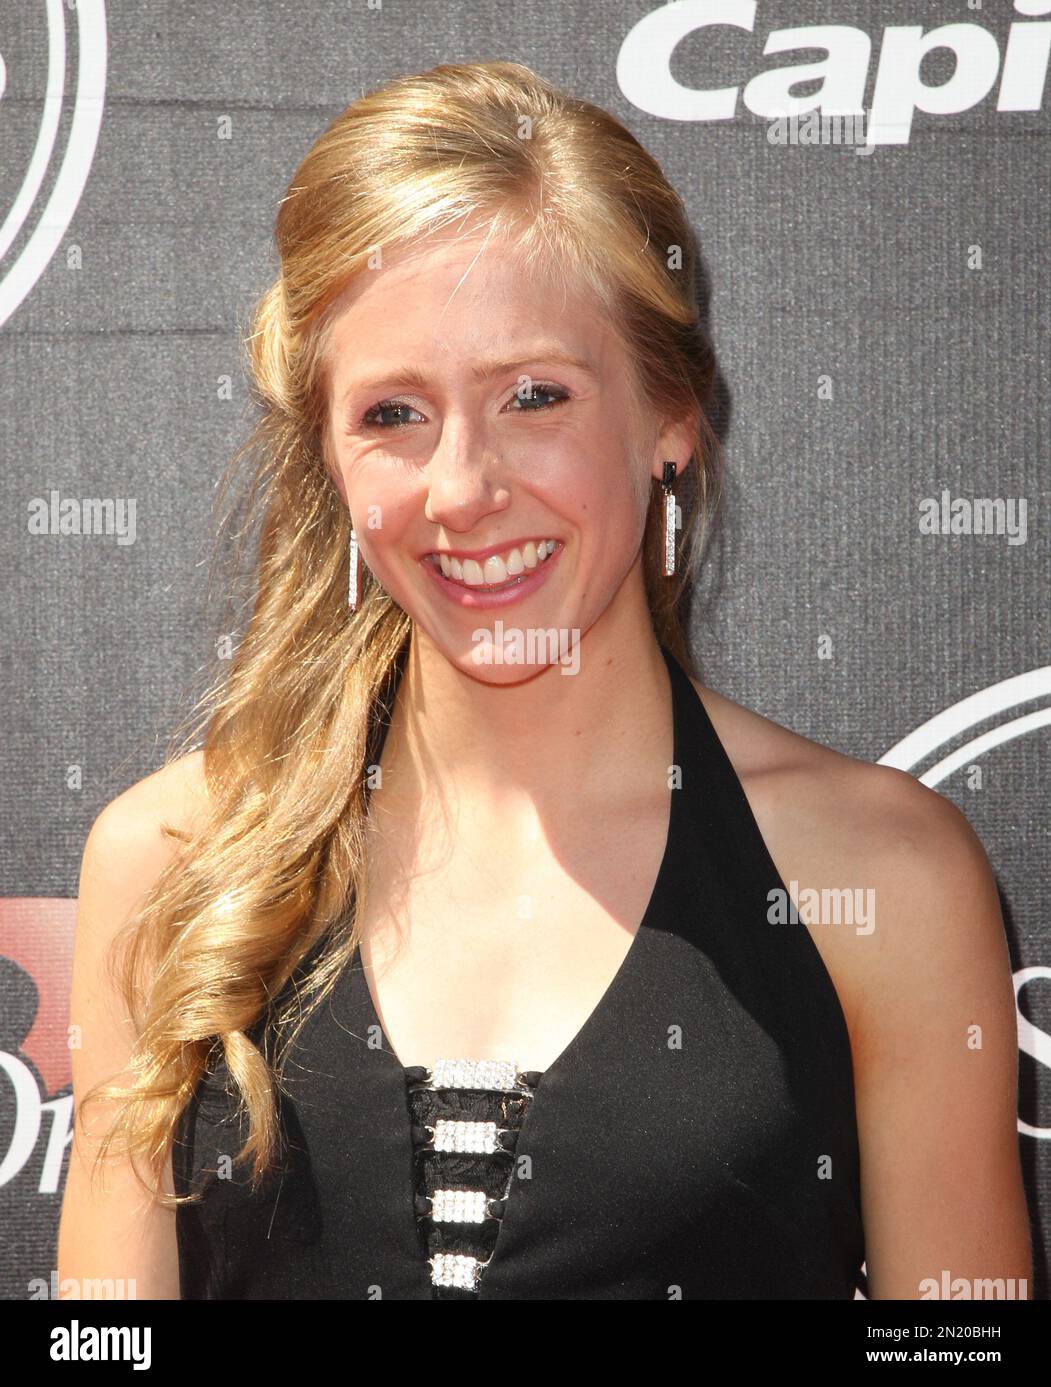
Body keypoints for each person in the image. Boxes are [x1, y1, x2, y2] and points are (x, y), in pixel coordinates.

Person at [57, 60, 1031, 1301]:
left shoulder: (879, 877)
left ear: (669, 414)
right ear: (330, 458)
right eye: (394, 414)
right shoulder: (168, 858)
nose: (462, 488)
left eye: (533, 396)